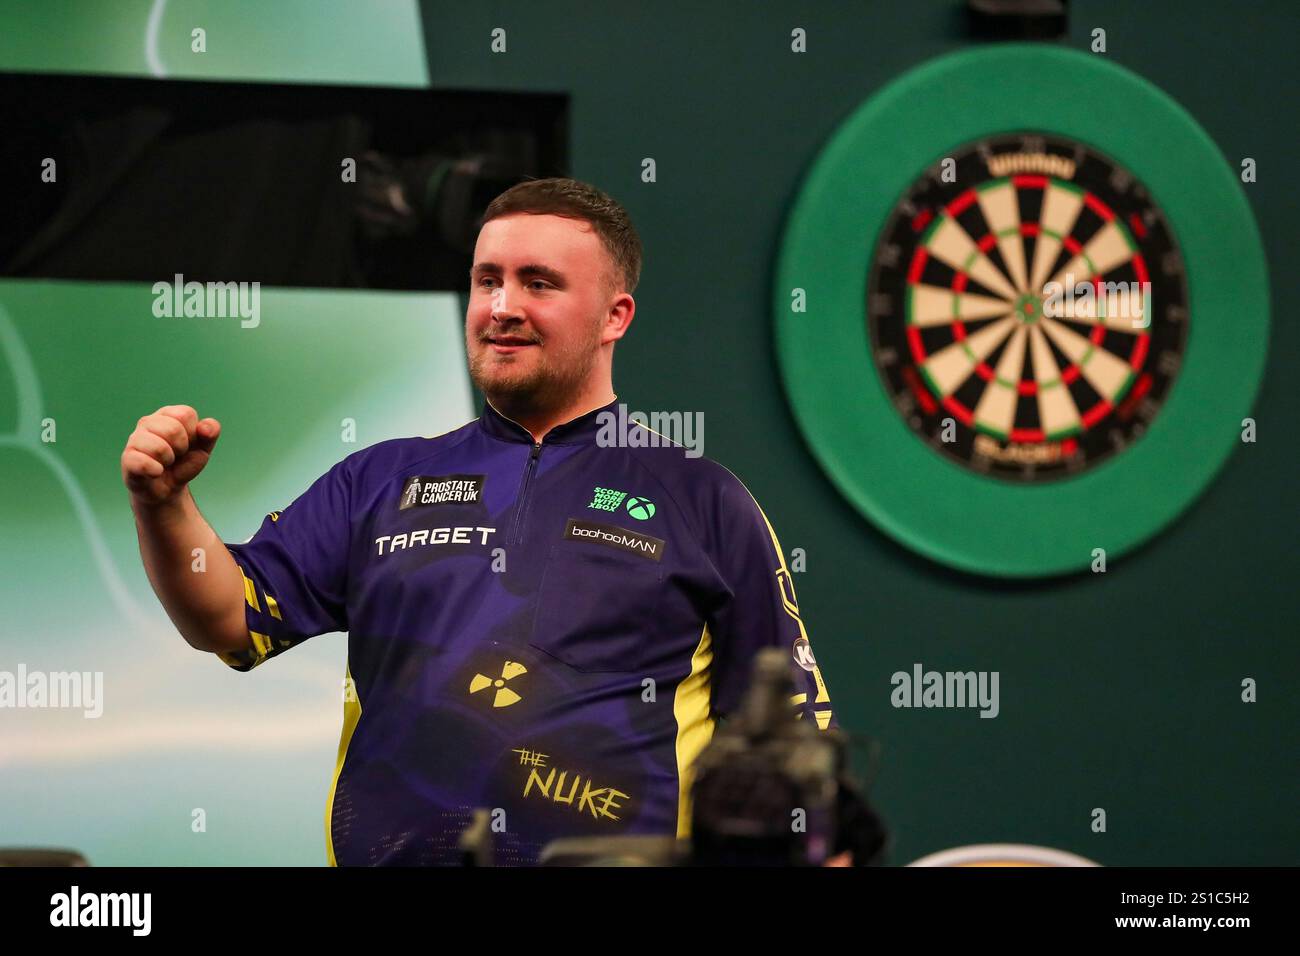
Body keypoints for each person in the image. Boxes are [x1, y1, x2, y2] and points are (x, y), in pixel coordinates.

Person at [121, 177, 837, 866]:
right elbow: (228, 619)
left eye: (538, 283)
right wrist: (163, 506)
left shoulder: (705, 501)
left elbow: (789, 745)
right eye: (486, 279)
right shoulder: (379, 480)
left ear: (615, 316)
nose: (501, 306)